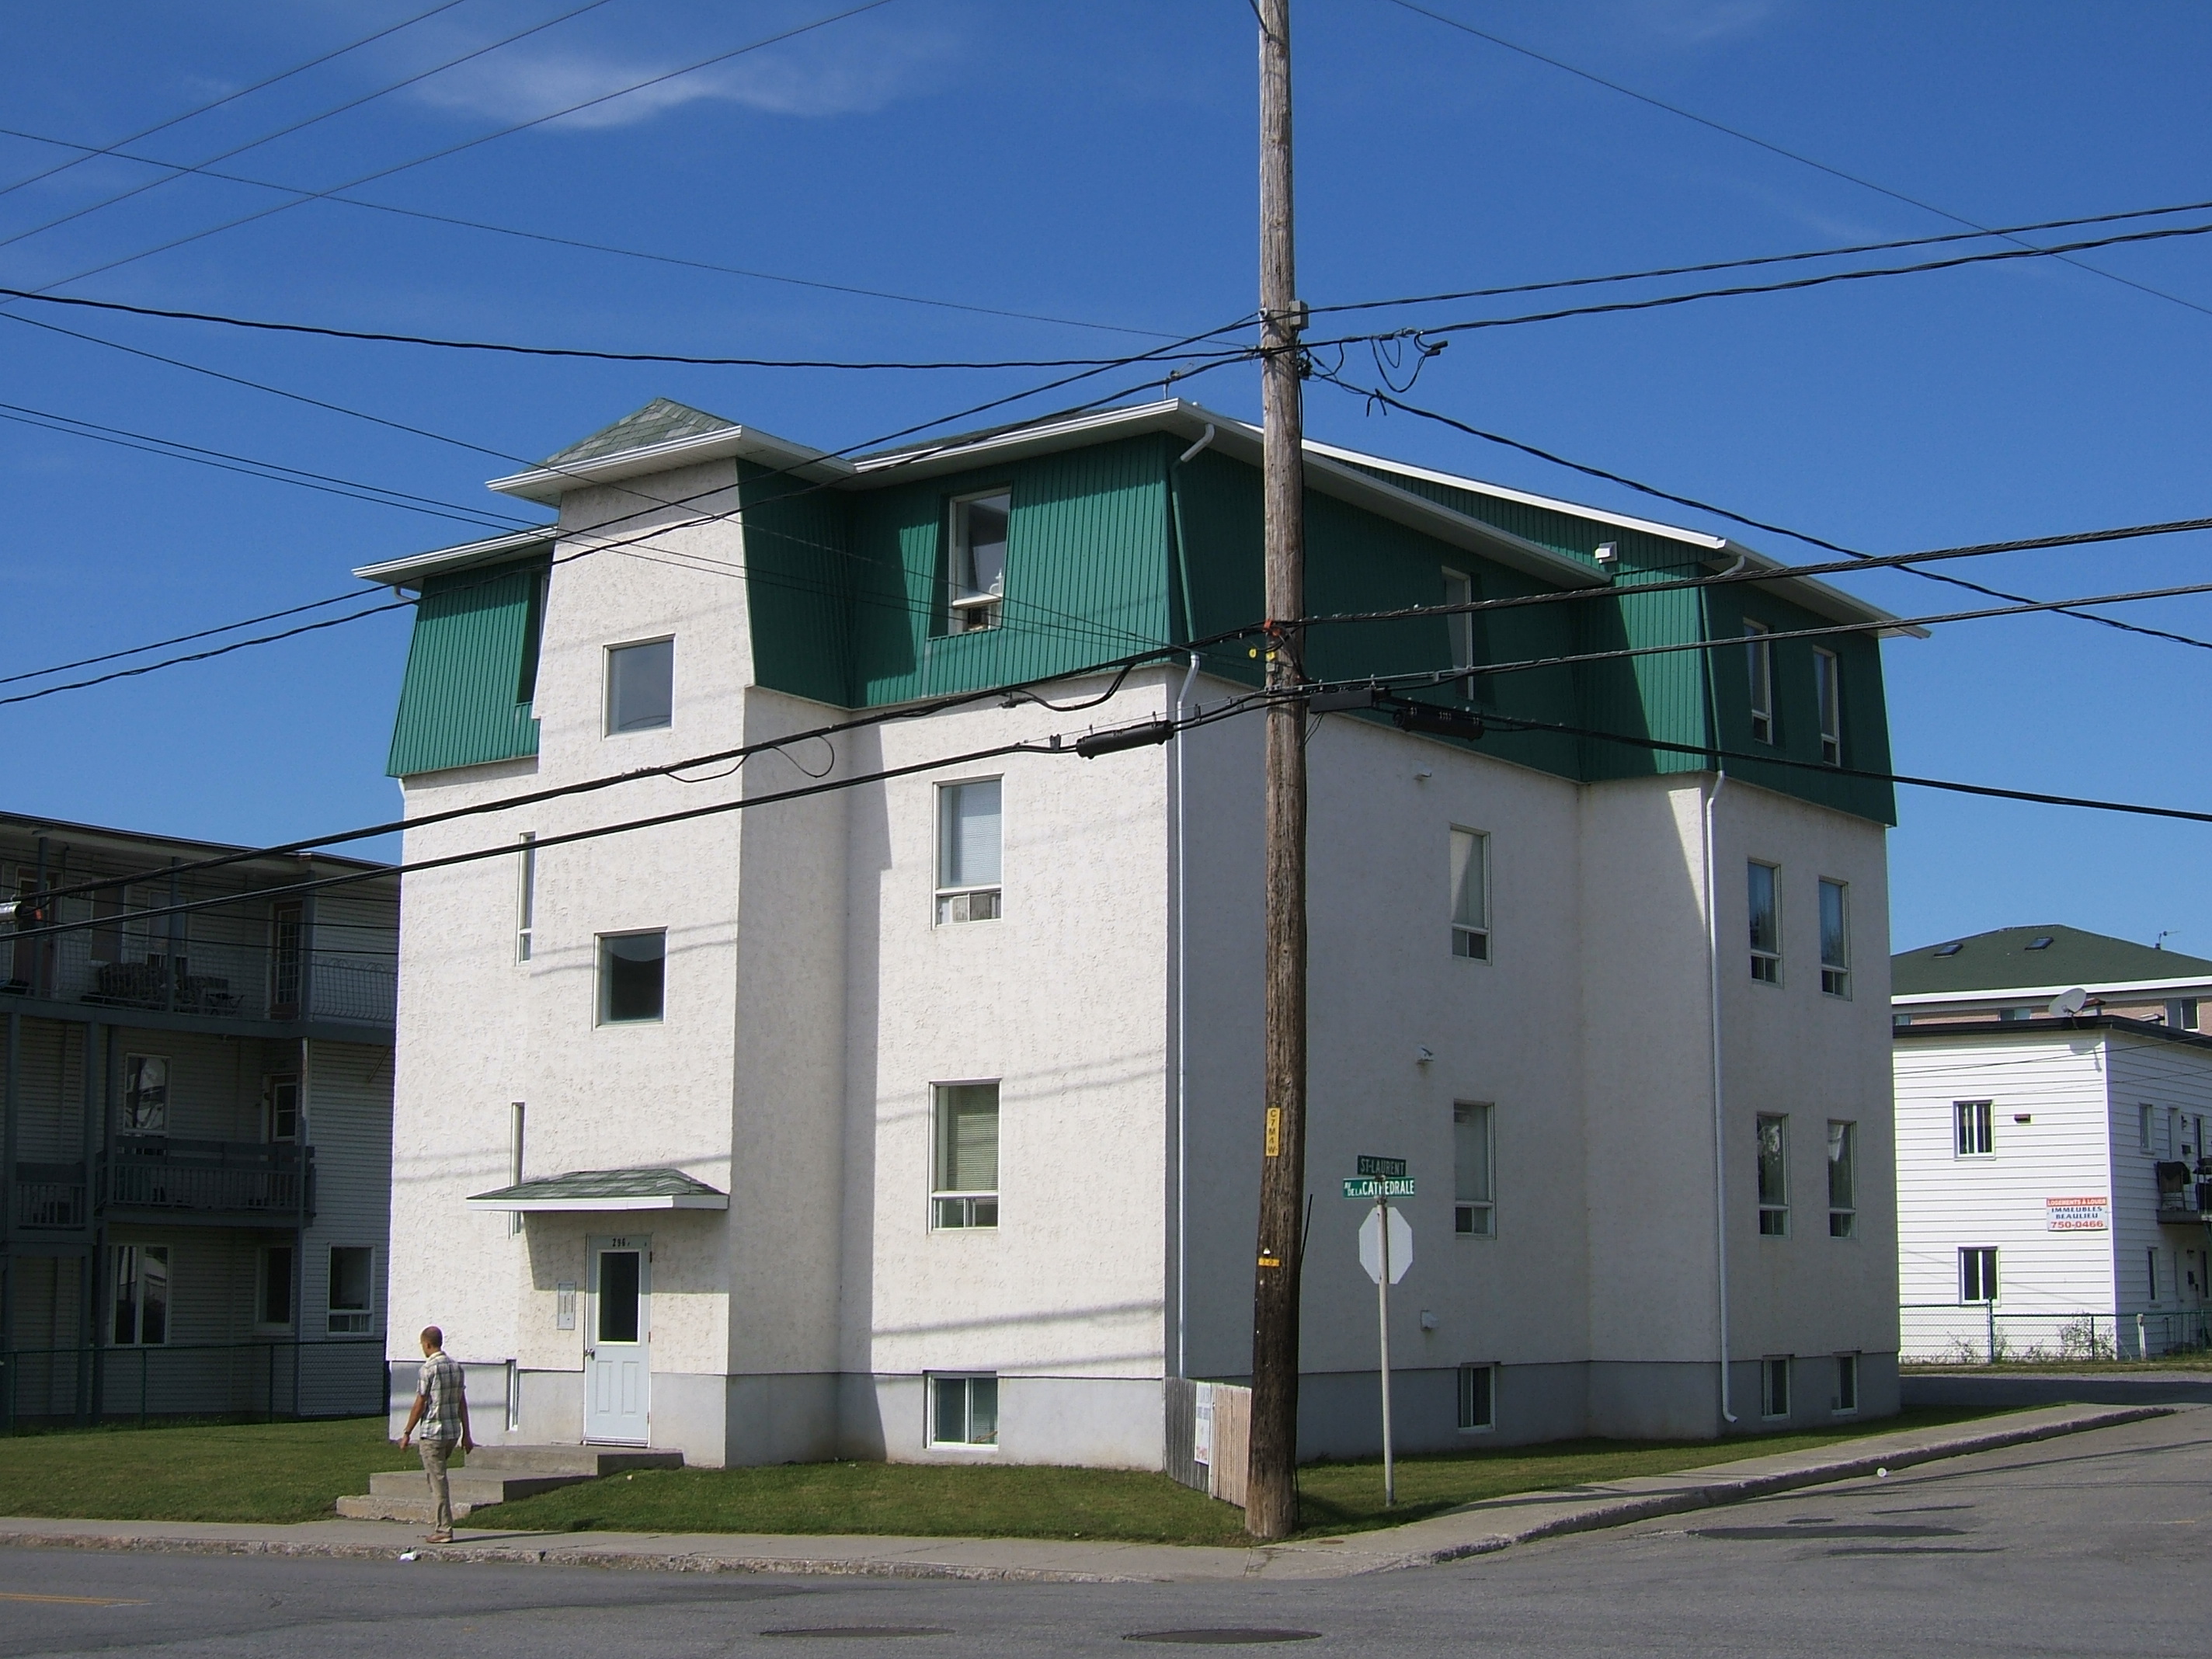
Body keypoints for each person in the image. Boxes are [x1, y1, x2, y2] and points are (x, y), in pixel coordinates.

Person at [398, 1325, 473, 1544]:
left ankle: (444, 1529)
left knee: (438, 1481)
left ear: (428, 1344)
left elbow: (420, 1402)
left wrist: (407, 1432)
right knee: (437, 1478)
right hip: (452, 1432)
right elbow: (462, 1402)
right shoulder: (456, 1367)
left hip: (432, 1432)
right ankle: (442, 1525)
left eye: (423, 1345)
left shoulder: (428, 1369)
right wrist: (467, 1435)